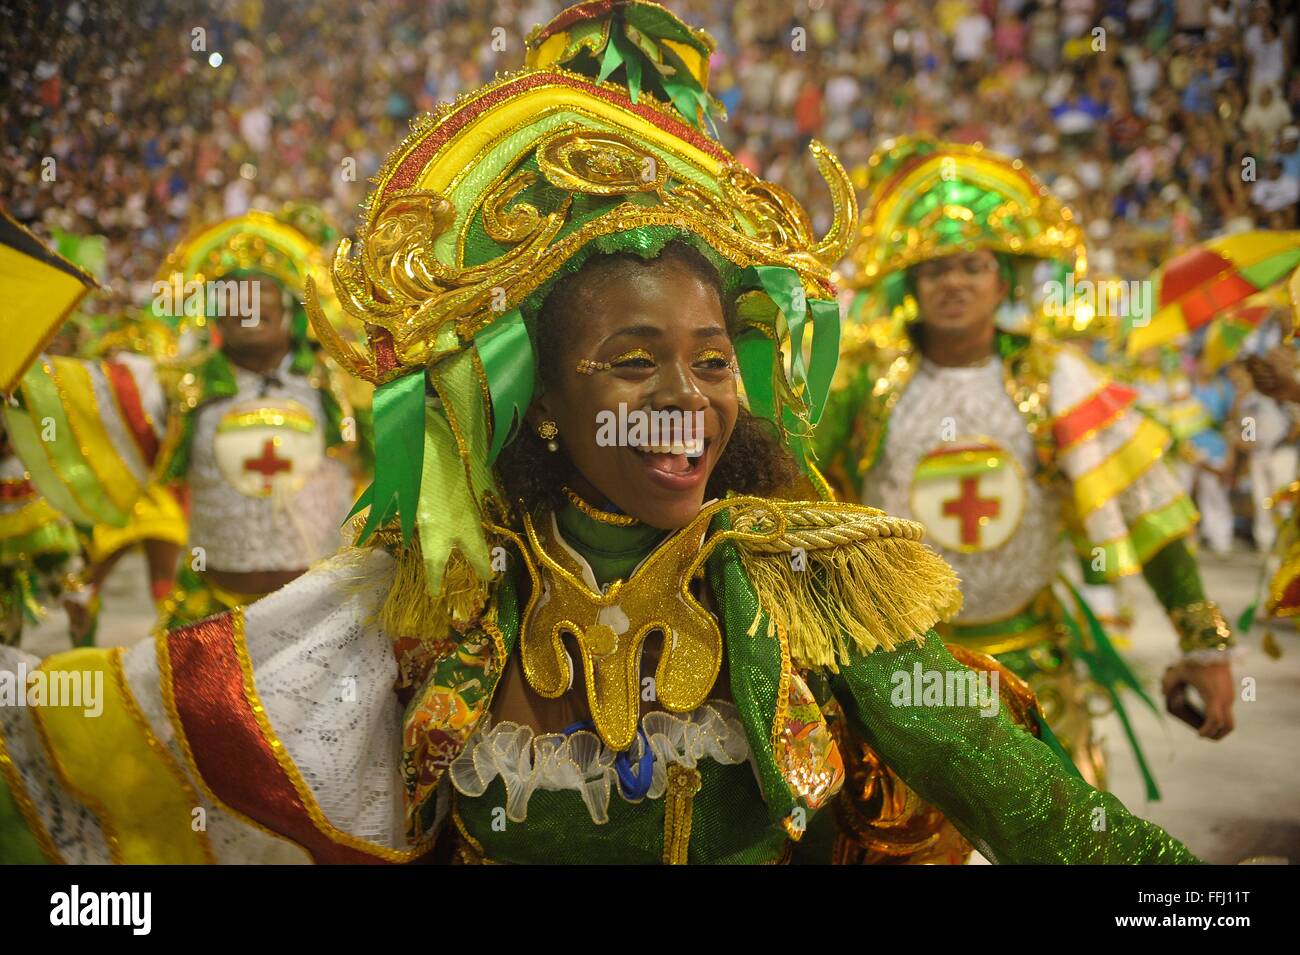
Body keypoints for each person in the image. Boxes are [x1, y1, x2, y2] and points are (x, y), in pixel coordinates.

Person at [0, 1, 1198, 866]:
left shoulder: (809, 584)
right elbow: (125, 748)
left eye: (713, 359)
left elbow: (1049, 820)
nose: (690, 397)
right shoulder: (438, 593)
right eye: (632, 362)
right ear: (543, 403)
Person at [817, 139, 1237, 805]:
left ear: (1003, 278)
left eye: (971, 266)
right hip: (902, 674)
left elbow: (1142, 508)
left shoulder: (1056, 380)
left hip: (1035, 670)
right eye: (933, 270)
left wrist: (1204, 640)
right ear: (909, 285)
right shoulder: (862, 387)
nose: (952, 283)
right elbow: (798, 493)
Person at [1, 206, 370, 631]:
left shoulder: (344, 383)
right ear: (214, 313)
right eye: (232, 293)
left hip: (325, 614)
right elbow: (76, 394)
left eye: (260, 290)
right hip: (210, 617)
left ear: (290, 306)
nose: (246, 303)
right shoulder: (176, 387)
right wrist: (17, 363)